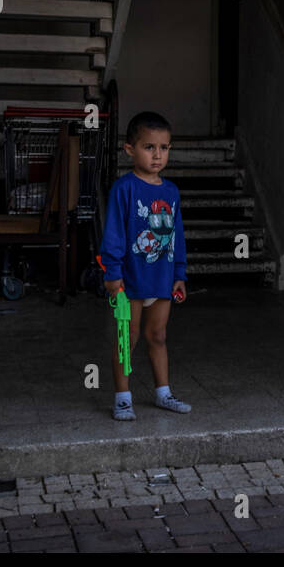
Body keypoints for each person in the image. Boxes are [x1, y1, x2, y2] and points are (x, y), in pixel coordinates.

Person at [100, 111, 191, 420]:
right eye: (149, 147)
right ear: (130, 150)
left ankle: (163, 393)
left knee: (158, 336)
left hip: (162, 280)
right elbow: (112, 235)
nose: (157, 155)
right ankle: (123, 398)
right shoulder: (123, 189)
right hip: (129, 282)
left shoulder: (171, 191)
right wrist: (112, 275)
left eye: (164, 148)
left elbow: (177, 235)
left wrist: (179, 273)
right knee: (128, 336)